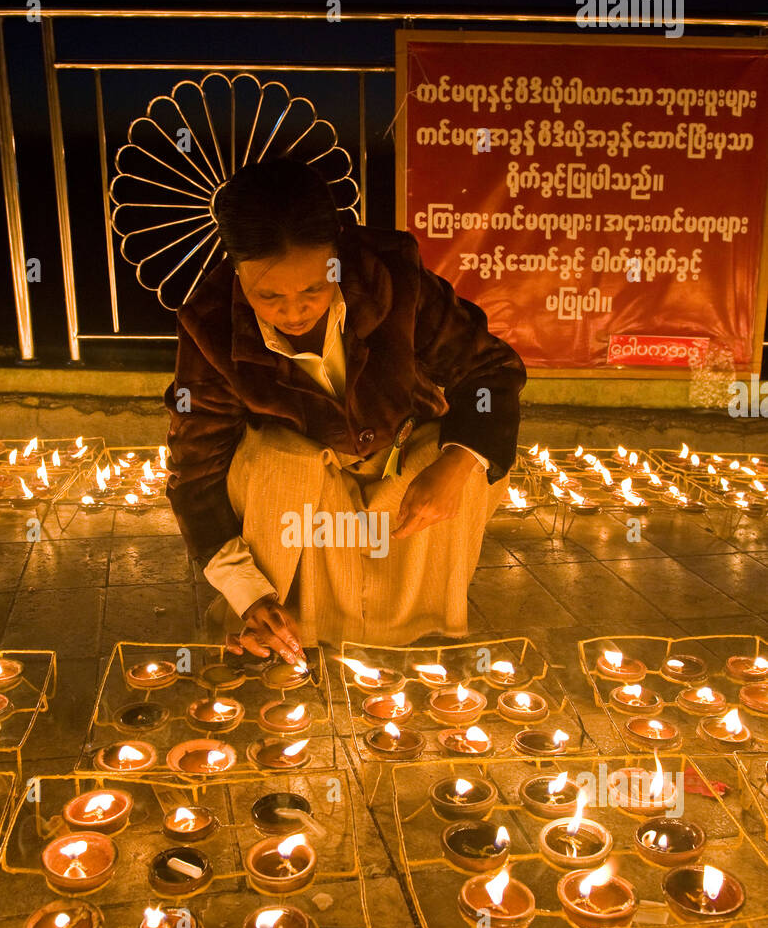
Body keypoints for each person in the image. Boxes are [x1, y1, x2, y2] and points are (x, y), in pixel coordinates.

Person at [163, 157, 526, 663]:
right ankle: (284, 623)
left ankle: (421, 624)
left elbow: (490, 368)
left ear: (336, 254)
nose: (294, 312)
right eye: (268, 295)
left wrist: (457, 461)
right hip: (305, 493)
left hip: (399, 470)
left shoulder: (390, 273)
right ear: (237, 272)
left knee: (458, 465)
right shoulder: (210, 324)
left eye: (313, 288)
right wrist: (247, 591)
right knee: (277, 461)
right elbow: (194, 468)